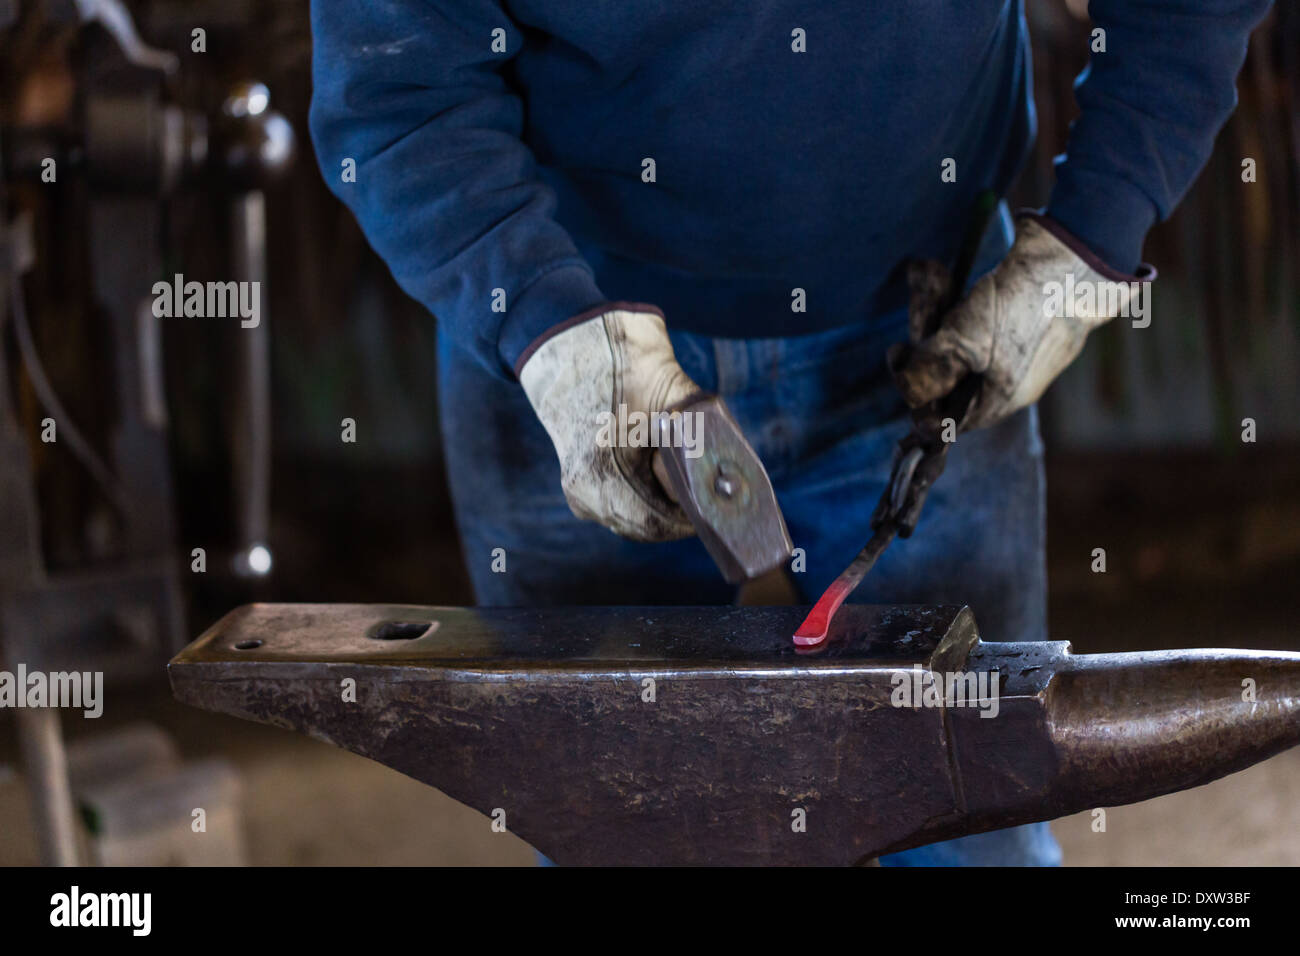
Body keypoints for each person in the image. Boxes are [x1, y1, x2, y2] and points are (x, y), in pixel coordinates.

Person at [308, 1, 1272, 865]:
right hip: (560, 328)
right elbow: (396, 85)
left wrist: (1100, 225)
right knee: (612, 810)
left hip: (925, 315)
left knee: (975, 807)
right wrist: (538, 323)